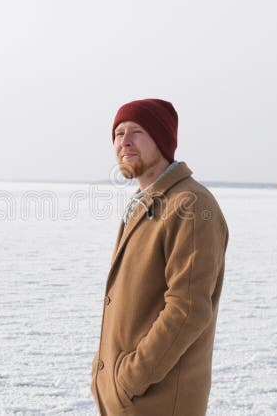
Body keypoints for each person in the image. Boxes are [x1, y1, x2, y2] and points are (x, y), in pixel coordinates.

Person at [90, 98, 229, 415]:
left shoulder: (191, 205)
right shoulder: (146, 203)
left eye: (136, 131)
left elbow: (188, 309)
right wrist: (104, 376)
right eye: (118, 133)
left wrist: (129, 378)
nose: (123, 141)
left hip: (158, 403)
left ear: (162, 139)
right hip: (131, 400)